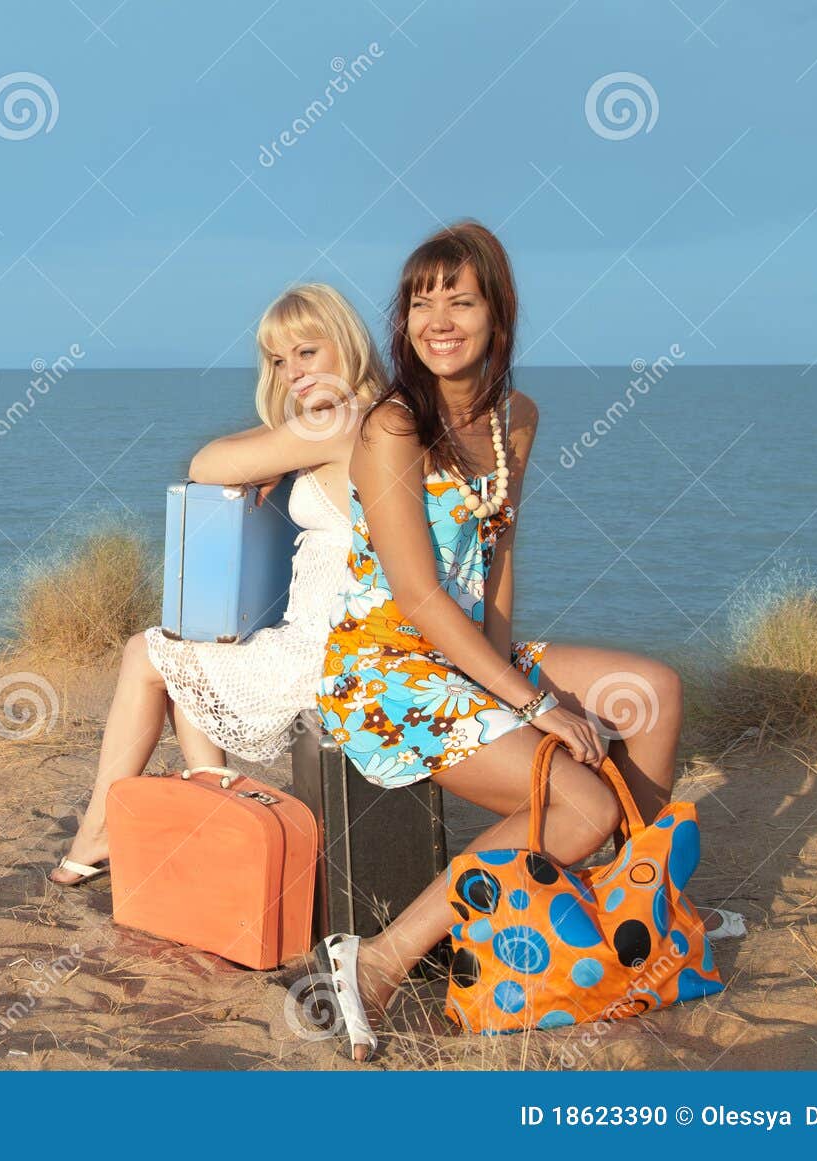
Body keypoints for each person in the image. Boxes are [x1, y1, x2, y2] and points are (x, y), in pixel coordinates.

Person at [313, 222, 689, 1061]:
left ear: (499, 315)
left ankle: (633, 912)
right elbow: (415, 596)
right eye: (421, 301)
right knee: (583, 803)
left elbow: (497, 557)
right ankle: (373, 962)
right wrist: (532, 703)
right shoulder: (392, 427)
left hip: (470, 650)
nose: (438, 318)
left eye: (461, 298)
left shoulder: (516, 416)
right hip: (387, 665)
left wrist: (520, 680)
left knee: (653, 691)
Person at [49, 284, 387, 884]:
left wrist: (273, 456)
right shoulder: (375, 415)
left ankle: (103, 826)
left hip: (333, 650)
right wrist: (279, 457)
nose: (292, 374)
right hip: (343, 634)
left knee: (147, 652)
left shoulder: (339, 419)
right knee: (186, 660)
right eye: (279, 362)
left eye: (307, 353)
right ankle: (214, 822)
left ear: (348, 344)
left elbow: (205, 464)